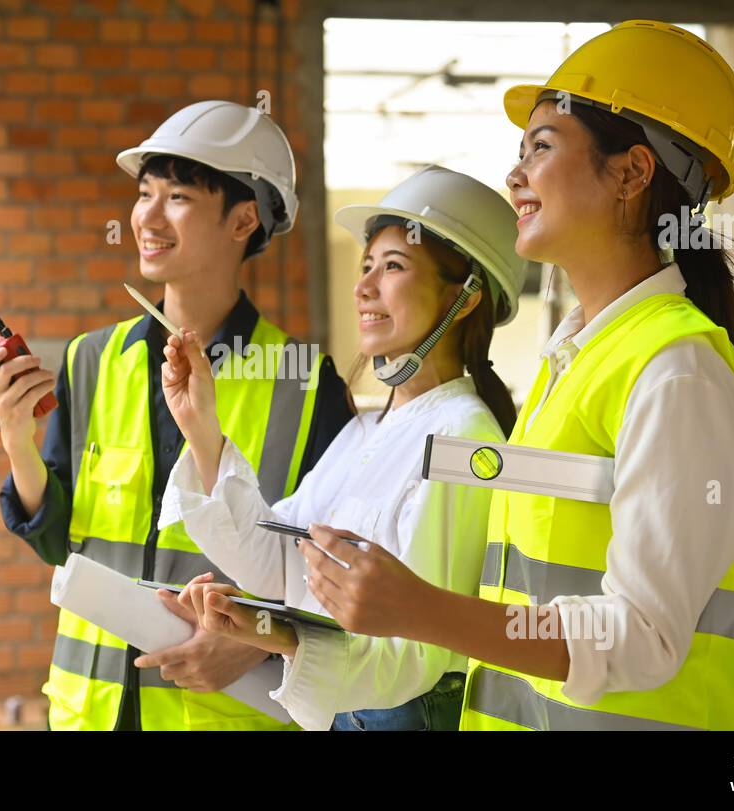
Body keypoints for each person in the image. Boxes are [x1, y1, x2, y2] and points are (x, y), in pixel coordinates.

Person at [292, 21, 734, 731]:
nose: (514, 175)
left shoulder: (675, 371)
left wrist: (422, 610)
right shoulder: (576, 364)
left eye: (541, 148)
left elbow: (642, 637)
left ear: (631, 173)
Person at [0, 100, 353, 731]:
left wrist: (252, 638)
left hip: (221, 717)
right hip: (90, 714)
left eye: (177, 197)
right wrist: (17, 442)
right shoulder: (91, 359)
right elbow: (57, 542)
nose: (147, 217)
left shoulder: (303, 383)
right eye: (144, 193)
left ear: (243, 221)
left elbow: (337, 575)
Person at [157, 166, 526, 730]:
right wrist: (200, 428)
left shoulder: (463, 438)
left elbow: (422, 652)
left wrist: (278, 632)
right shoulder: (367, 432)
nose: (364, 286)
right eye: (366, 266)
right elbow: (279, 560)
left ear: (465, 297)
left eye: (394, 267)